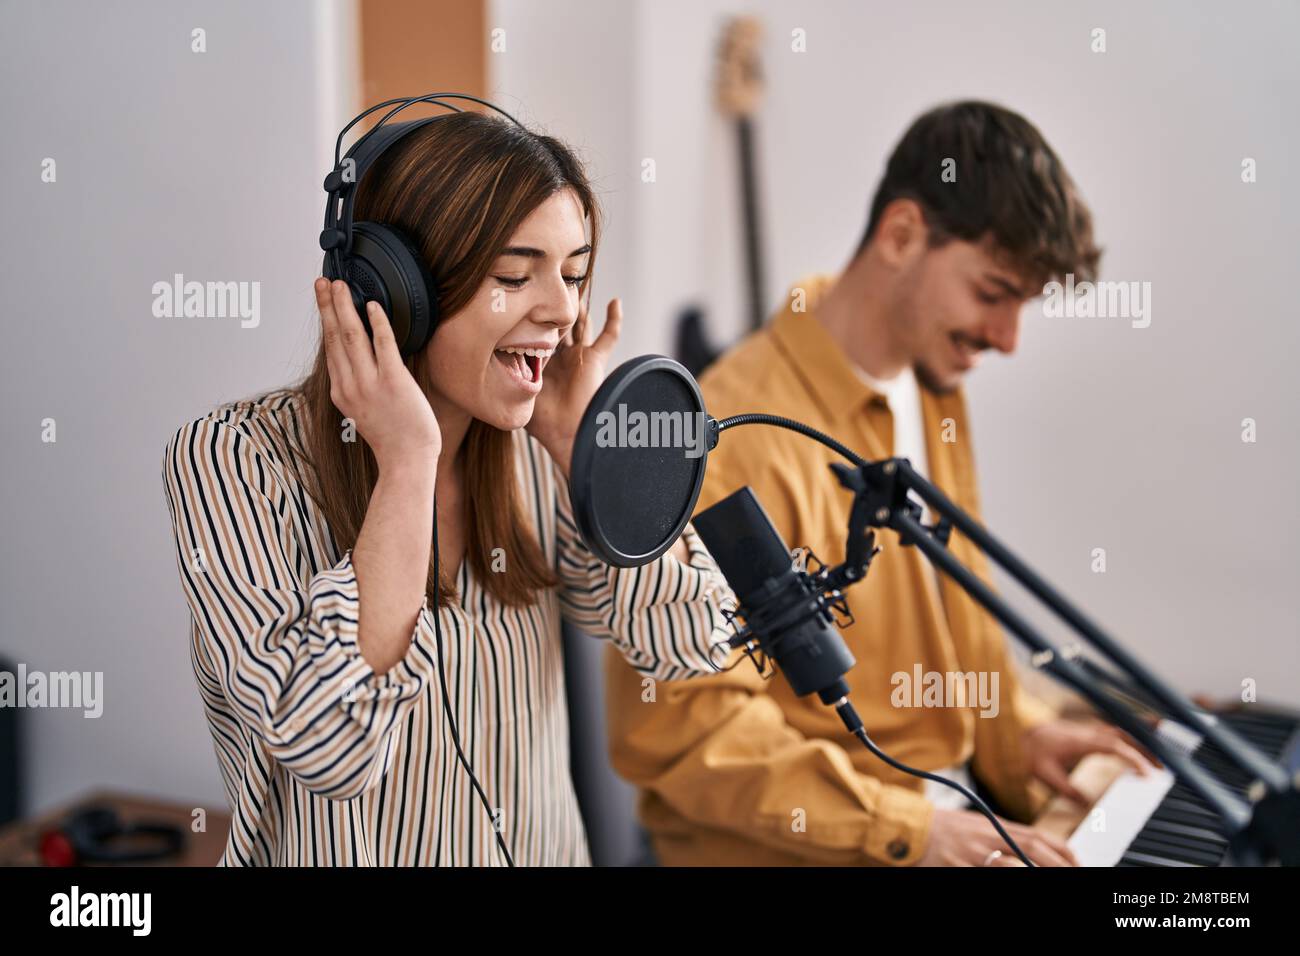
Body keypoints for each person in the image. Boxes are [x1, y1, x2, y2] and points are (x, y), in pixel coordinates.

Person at [161, 109, 733, 866]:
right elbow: (329, 746)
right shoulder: (231, 460)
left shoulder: (532, 453)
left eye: (572, 275)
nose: (562, 313)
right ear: (395, 291)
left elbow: (694, 642)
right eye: (513, 276)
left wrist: (576, 446)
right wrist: (406, 468)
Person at [604, 101, 1152, 867]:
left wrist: (1017, 733)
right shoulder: (731, 437)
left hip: (938, 813)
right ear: (901, 235)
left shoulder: (931, 386)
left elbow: (945, 642)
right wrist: (913, 829)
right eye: (993, 293)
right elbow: (686, 732)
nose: (1007, 339)